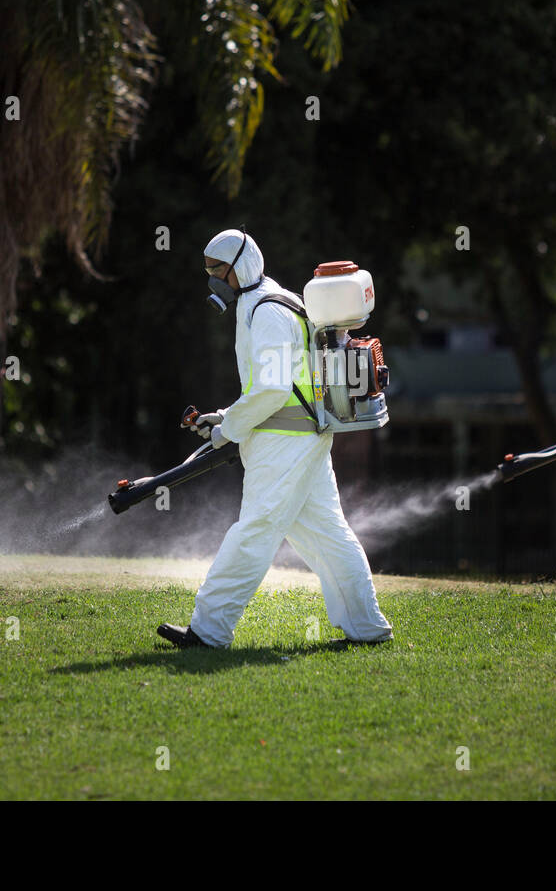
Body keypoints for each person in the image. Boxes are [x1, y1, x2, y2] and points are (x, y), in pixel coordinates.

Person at [156, 228, 394, 647]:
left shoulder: (264, 310)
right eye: (207, 269)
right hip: (304, 436)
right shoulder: (281, 299)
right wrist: (226, 417)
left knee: (254, 531)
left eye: (217, 270)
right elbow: (281, 384)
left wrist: (229, 430)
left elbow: (271, 389)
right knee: (328, 535)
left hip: (284, 443)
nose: (211, 278)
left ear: (239, 267)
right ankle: (367, 629)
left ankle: (208, 632)